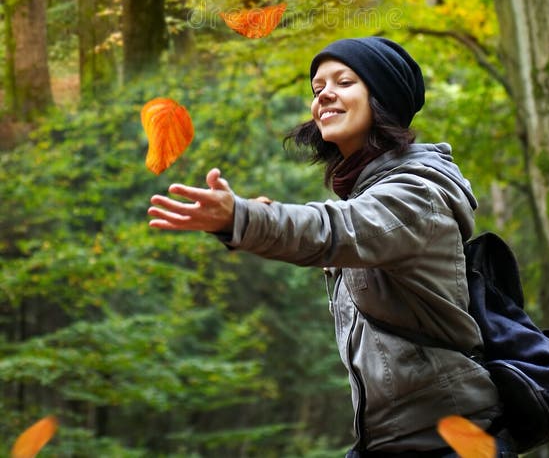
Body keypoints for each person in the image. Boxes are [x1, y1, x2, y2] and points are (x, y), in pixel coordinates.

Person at [148, 36, 517, 457]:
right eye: (317, 87)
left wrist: (242, 218)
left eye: (343, 82)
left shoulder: (417, 195)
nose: (324, 93)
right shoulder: (369, 195)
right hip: (387, 444)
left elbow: (332, 231)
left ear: (382, 99)